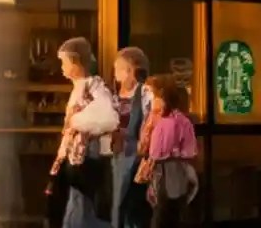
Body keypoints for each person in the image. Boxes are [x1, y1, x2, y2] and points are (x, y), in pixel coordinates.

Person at [48, 37, 121, 228]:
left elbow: (109, 117)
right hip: (77, 156)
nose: (62, 67)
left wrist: (77, 121)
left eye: (64, 62)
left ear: (76, 62)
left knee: (83, 207)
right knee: (77, 206)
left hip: (87, 155)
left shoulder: (93, 86)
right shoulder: (80, 88)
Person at [134, 76, 198, 228]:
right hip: (162, 170)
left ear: (162, 96)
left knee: (165, 213)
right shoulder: (156, 118)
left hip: (168, 171)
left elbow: (187, 149)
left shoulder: (174, 121)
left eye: (151, 94)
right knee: (166, 211)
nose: (148, 99)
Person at [112, 48, 152, 228]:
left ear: (129, 70)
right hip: (117, 154)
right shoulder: (115, 94)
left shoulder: (144, 93)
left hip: (136, 155)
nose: (115, 74)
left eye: (117, 69)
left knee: (131, 202)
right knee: (118, 201)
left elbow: (150, 121)